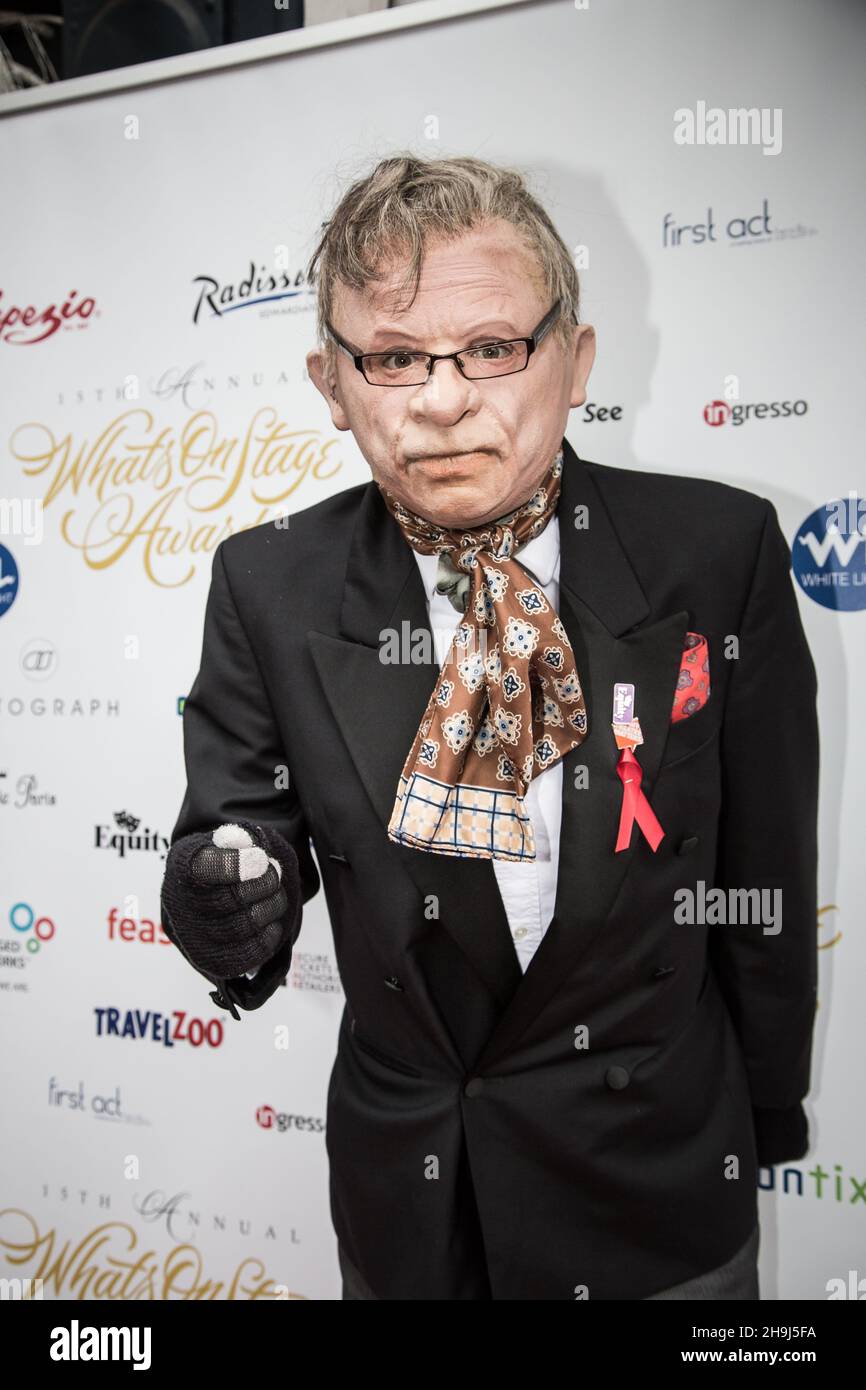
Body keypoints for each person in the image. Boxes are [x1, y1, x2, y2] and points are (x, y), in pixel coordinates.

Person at [160, 153, 819, 1301]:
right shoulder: (268, 581)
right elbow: (231, 828)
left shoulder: (716, 552)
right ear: (332, 382)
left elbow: (762, 871)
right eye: (394, 357)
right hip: (414, 1213)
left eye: (492, 348)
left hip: (659, 1190)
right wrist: (223, 900)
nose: (442, 396)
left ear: (573, 362)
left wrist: (762, 1112)